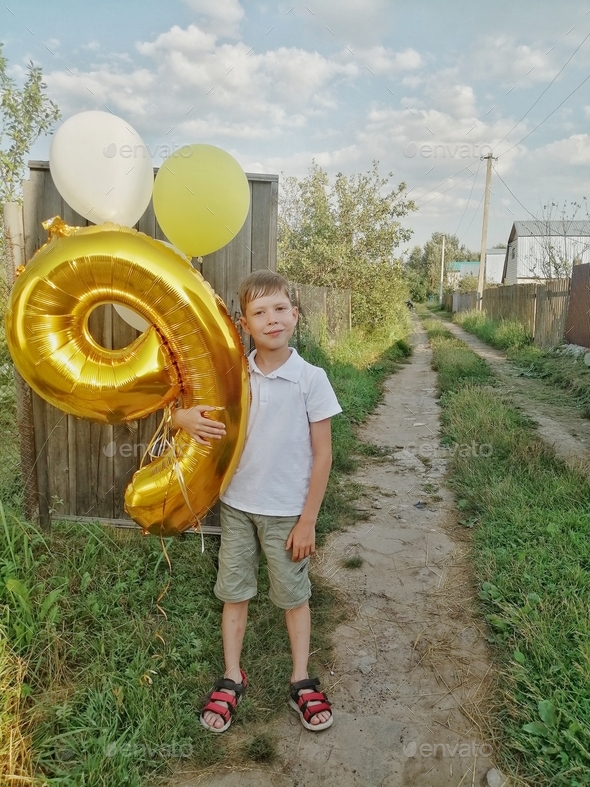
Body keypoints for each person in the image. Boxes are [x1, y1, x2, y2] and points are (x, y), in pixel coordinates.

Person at [172, 270, 342, 734]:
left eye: (281, 309)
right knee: (235, 591)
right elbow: (191, 408)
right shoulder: (233, 376)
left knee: (293, 595)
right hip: (237, 506)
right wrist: (182, 416)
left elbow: (323, 453)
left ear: (296, 316)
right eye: (259, 312)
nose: (272, 319)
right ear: (244, 325)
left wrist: (308, 520)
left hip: (288, 512)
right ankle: (232, 676)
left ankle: (300, 679)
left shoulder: (311, 379)